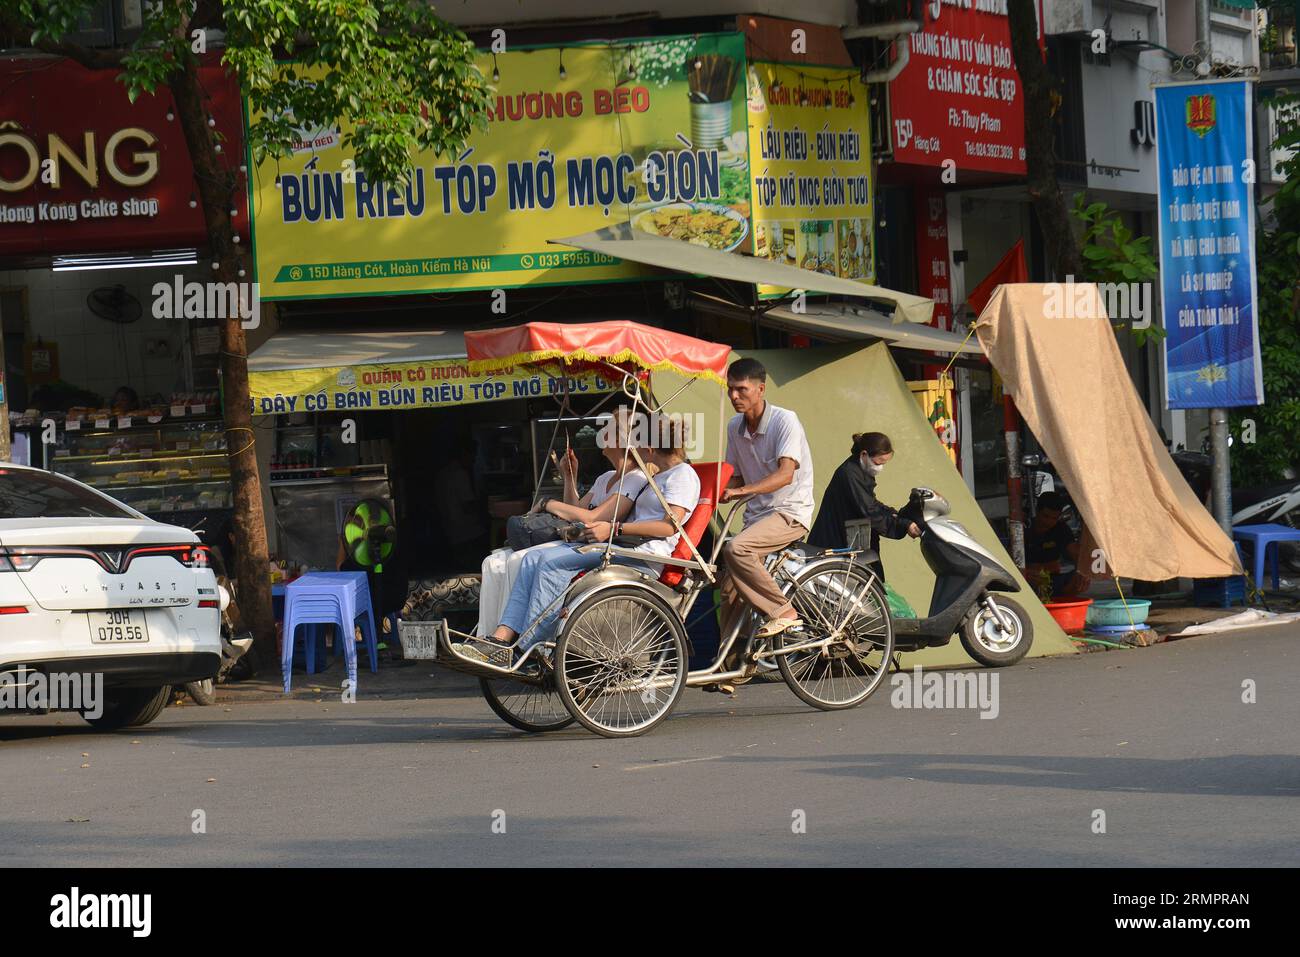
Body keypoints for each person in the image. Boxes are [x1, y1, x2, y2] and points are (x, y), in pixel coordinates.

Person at [455, 415, 698, 661]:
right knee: (532, 560)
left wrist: (615, 528)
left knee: (550, 565)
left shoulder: (682, 475)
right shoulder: (655, 477)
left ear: (649, 449)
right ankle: (501, 638)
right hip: (619, 545)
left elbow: (669, 527)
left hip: (642, 555)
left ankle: (537, 647)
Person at [475, 407, 650, 636]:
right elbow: (576, 510)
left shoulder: (635, 479)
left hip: (595, 543)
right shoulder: (605, 477)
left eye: (608, 428)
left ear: (621, 439)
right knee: (493, 562)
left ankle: (516, 637)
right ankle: (488, 635)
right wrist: (569, 478)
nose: (602, 433)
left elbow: (593, 518)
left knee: (520, 559)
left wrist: (547, 503)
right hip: (579, 538)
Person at [718, 357, 815, 650]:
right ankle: (734, 662)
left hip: (789, 512)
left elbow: (785, 475)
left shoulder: (785, 421)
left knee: (737, 548)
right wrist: (711, 488)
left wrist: (740, 491)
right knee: (728, 591)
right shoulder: (735, 426)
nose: (735, 396)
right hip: (757, 517)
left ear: (761, 389)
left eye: (742, 390)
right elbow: (733, 478)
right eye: (730, 389)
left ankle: (783, 611)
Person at [807, 431, 920, 579]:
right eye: (879, 463)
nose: (880, 468)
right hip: (834, 542)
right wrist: (903, 524)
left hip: (850, 537)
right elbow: (869, 511)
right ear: (864, 454)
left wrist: (894, 514)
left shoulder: (860, 469)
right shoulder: (850, 474)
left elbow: (870, 502)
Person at [432, 437, 488, 568]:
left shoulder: (442, 474)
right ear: (464, 454)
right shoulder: (459, 474)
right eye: (473, 454)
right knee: (473, 567)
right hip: (467, 532)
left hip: (450, 531)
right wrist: (484, 506)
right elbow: (468, 505)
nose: (474, 459)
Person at [1020, 491, 1084, 598]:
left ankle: (1062, 605)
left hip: (1053, 580)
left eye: (1054, 518)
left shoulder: (1061, 529)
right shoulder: (1025, 528)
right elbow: (1009, 560)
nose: (1049, 522)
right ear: (1037, 511)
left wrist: (1081, 575)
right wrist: (1025, 572)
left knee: (1077, 577)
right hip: (1026, 581)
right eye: (1046, 516)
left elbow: (1077, 555)